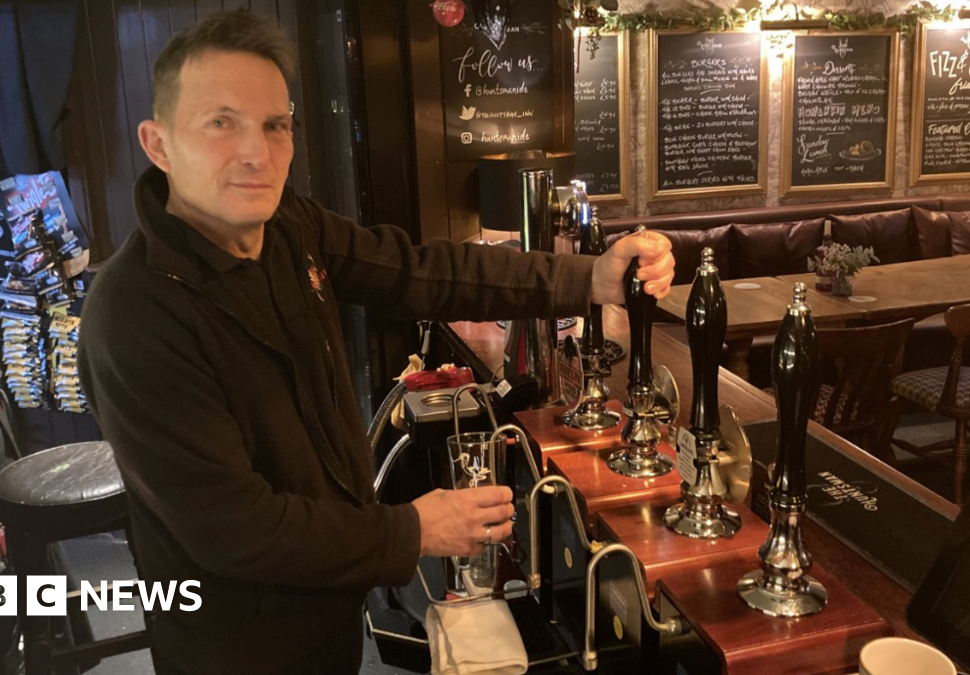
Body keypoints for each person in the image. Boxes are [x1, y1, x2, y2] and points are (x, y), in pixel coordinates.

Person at [78, 10, 674, 675]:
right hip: (236, 642)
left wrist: (586, 278)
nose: (257, 153)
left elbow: (418, 272)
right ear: (158, 144)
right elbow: (233, 528)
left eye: (275, 125)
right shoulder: (134, 314)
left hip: (329, 607)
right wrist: (411, 531)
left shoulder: (287, 227)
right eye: (221, 123)